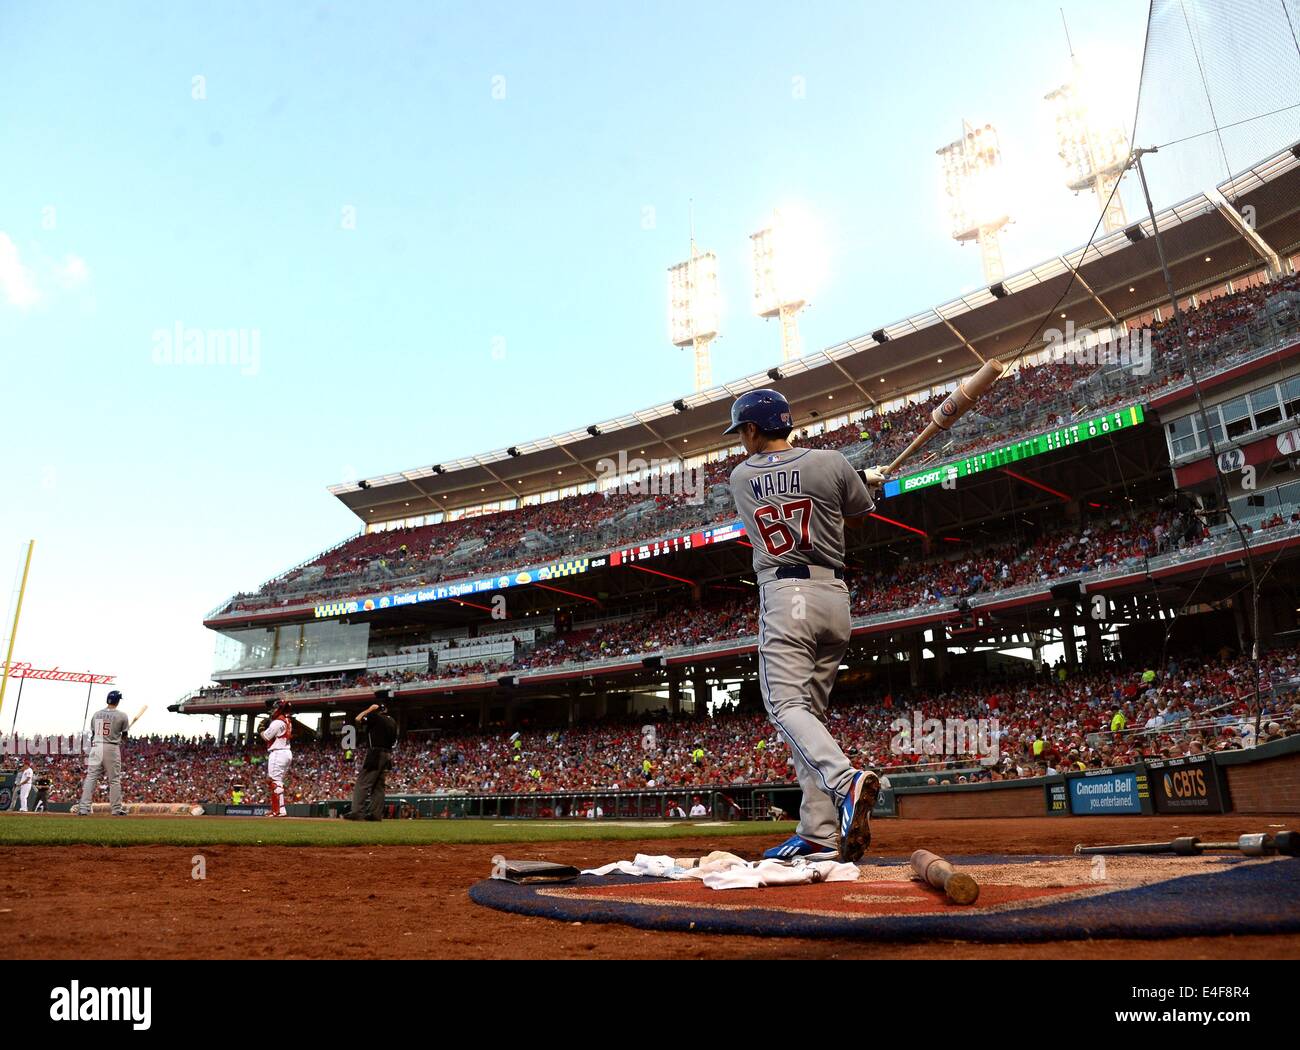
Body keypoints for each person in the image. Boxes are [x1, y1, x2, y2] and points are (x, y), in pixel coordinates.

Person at [724, 388, 883, 863]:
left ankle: (844, 781)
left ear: (753, 429)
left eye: (743, 432)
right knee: (805, 716)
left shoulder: (740, 477)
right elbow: (857, 517)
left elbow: (789, 496)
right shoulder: (833, 462)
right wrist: (863, 483)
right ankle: (817, 832)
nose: (741, 442)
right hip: (834, 598)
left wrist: (854, 484)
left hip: (785, 593)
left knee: (783, 705)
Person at [77, 689, 131, 816]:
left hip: (96, 746)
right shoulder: (122, 715)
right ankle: (116, 809)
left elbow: (94, 733)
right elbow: (124, 736)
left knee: (91, 777)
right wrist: (121, 739)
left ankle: (83, 808)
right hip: (111, 747)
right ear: (118, 701)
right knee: (114, 780)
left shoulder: (96, 714)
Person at [345, 692, 398, 821]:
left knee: (362, 783)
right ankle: (376, 814)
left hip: (375, 753)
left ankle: (357, 812)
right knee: (378, 786)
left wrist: (370, 709)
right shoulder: (392, 721)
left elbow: (358, 719)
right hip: (387, 754)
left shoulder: (375, 717)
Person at [258, 698, 294, 817]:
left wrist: (261, 730)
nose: (272, 710)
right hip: (286, 752)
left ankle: (276, 810)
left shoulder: (277, 721)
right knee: (278, 782)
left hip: (278, 752)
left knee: (274, 782)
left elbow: (266, 737)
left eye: (274, 708)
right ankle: (281, 810)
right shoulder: (287, 720)